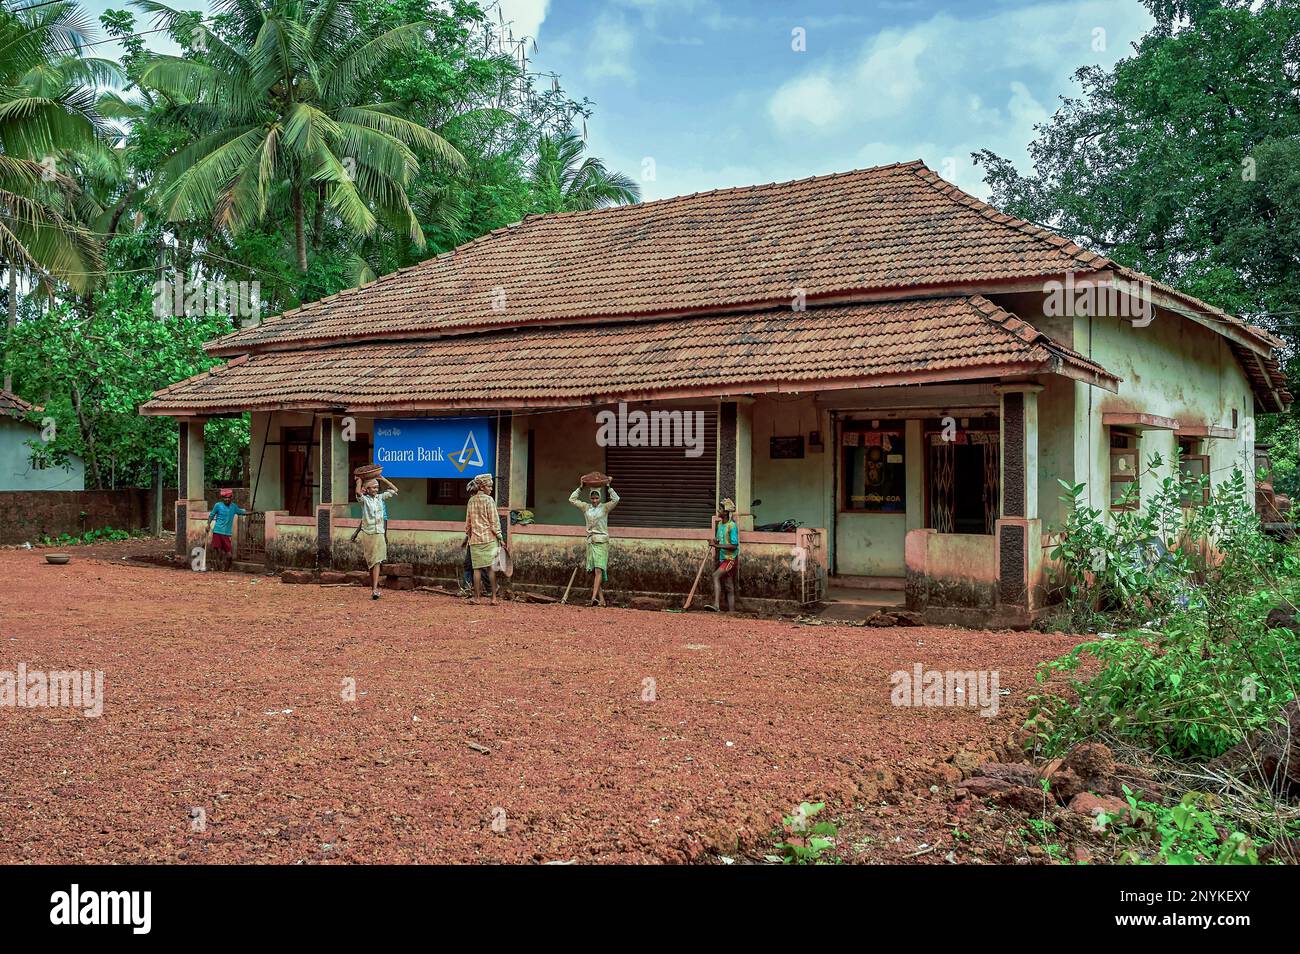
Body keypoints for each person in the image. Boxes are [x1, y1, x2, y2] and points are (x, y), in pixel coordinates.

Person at [569, 479, 620, 606]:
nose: (595, 500)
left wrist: (609, 486)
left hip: (602, 542)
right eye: (593, 498)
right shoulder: (586, 508)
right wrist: (580, 488)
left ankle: (593, 598)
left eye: (597, 498)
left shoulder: (605, 508)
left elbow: (616, 499)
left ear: (600, 498)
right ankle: (601, 600)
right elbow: (572, 499)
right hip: (591, 542)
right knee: (593, 572)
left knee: (598, 570)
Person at [463, 473, 507, 604]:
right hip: (489, 539)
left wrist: (468, 535)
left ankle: (476, 598)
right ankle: (493, 598)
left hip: (475, 540)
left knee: (476, 569)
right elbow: (494, 522)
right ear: (482, 486)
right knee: (490, 569)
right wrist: (500, 537)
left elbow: (468, 523)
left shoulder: (471, 500)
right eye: (490, 486)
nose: (491, 488)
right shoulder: (489, 500)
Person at [356, 473, 398, 600]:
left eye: (377, 487)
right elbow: (358, 493)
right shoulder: (364, 500)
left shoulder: (380, 498)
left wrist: (383, 479)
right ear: (367, 489)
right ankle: (373, 586)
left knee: (377, 560)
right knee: (371, 561)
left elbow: (395, 490)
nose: (375, 489)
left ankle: (375, 589)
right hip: (368, 533)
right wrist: (359, 481)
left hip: (379, 532)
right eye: (373, 487)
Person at [708, 498, 740, 613]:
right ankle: (732, 611)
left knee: (715, 576)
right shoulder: (720, 524)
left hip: (730, 559)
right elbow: (718, 539)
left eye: (720, 509)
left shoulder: (732, 526)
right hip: (723, 559)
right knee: (729, 586)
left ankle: (716, 605)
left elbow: (734, 545)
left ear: (726, 512)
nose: (718, 511)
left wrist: (717, 546)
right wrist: (713, 541)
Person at [205, 488, 247, 571]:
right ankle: (218, 570)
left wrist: (253, 512)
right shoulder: (218, 505)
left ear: (231, 498)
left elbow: (242, 512)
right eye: (225, 498)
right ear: (222, 498)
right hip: (217, 532)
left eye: (228, 497)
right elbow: (211, 515)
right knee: (218, 553)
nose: (227, 499)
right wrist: (208, 525)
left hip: (227, 534)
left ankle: (226, 570)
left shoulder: (234, 507)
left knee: (229, 554)